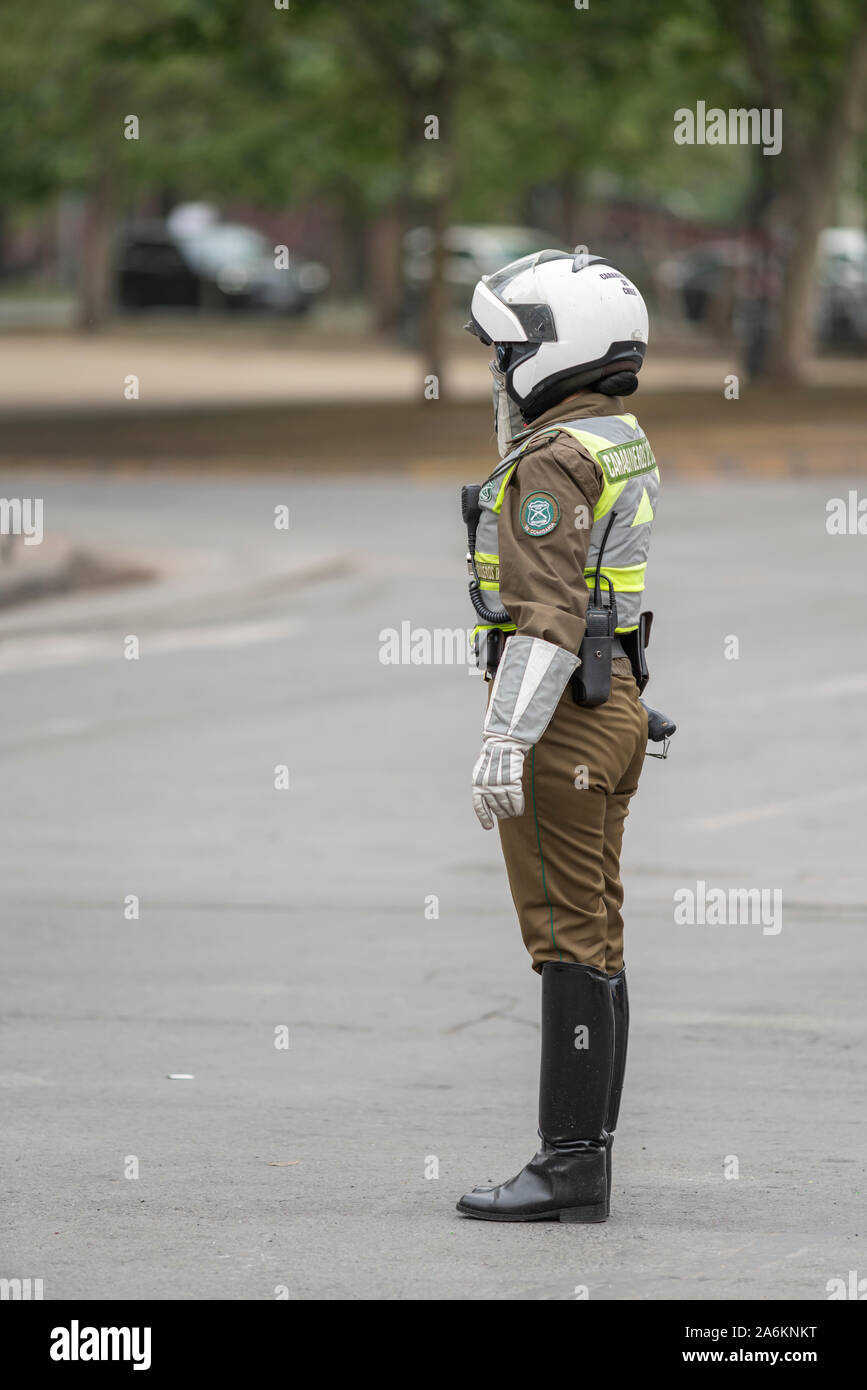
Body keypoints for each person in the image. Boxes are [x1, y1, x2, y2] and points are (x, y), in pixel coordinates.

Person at [457, 249, 660, 1223]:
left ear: (549, 352)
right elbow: (608, 596)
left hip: (561, 724)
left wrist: (504, 737)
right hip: (611, 704)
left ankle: (570, 1165)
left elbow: (543, 614)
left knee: (566, 942)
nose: (498, 371)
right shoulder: (620, 439)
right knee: (602, 937)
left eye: (505, 351)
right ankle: (587, 1157)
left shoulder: (550, 458)